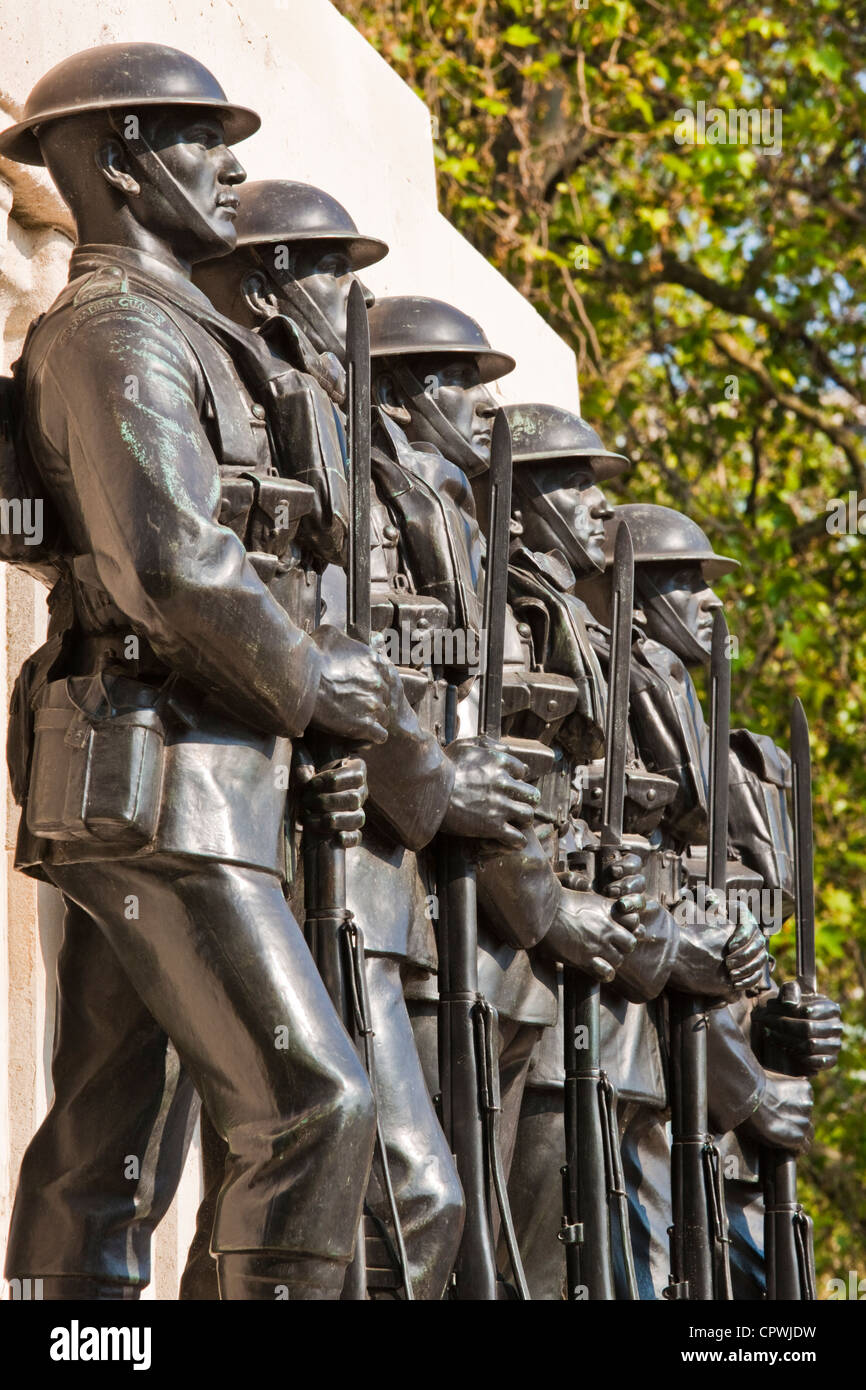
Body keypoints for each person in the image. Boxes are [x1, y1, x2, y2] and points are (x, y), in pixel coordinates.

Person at [0, 43, 428, 1301]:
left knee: (109, 1143)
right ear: (125, 160)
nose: (231, 161)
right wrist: (309, 678)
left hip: (191, 778)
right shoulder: (112, 331)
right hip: (152, 778)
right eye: (198, 136)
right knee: (312, 1108)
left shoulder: (181, 331)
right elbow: (168, 562)